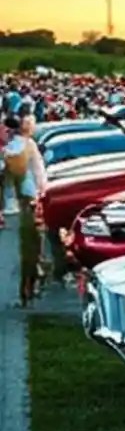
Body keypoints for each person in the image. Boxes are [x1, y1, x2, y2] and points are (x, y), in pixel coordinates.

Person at [4, 115, 47, 306]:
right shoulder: (29, 146)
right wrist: (42, 193)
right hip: (29, 201)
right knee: (31, 247)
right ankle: (30, 287)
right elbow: (39, 174)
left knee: (21, 251)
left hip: (12, 206)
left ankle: (23, 291)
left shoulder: (7, 149)